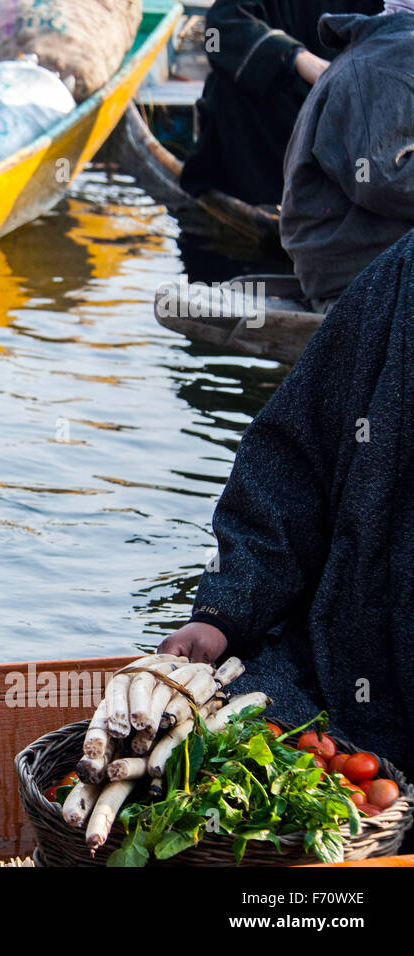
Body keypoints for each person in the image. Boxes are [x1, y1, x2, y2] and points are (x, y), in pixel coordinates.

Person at [159, 232, 414, 783]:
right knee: (212, 750)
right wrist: (222, 614)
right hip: (354, 674)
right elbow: (287, 469)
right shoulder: (398, 282)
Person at [180, 0, 383, 207]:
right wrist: (296, 57)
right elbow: (217, 31)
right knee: (228, 84)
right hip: (271, 127)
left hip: (348, 118)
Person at [279, 1, 414, 310]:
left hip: (357, 262)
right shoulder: (395, 59)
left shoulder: (389, 49)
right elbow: (382, 177)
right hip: (353, 275)